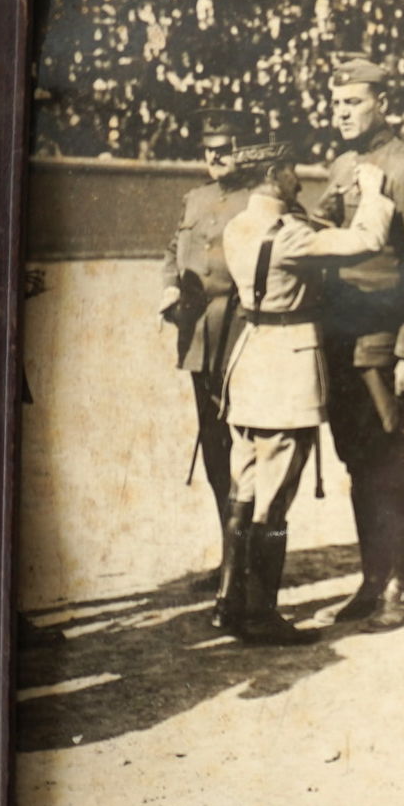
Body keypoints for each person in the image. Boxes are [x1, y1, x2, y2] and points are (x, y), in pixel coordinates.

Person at [215, 143, 396, 643]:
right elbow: (368, 240)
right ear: (274, 174)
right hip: (286, 369)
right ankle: (260, 615)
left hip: (249, 362)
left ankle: (229, 601)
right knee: (275, 500)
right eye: (291, 171)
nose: (298, 178)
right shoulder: (290, 237)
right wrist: (374, 194)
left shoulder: (240, 226)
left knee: (244, 487)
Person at [313, 57, 404, 632]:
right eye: (337, 103)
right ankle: (371, 577)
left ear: (381, 103)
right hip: (339, 333)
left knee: (385, 456)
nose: (342, 112)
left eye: (354, 103)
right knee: (354, 456)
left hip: (383, 338)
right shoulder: (342, 164)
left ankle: (400, 583)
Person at [158, 107, 256, 591]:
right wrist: (170, 288)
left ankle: (255, 558)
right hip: (198, 333)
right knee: (215, 447)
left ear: (246, 149)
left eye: (227, 147)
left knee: (254, 449)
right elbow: (170, 252)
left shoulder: (260, 197)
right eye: (209, 149)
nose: (216, 156)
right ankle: (229, 560)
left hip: (243, 334)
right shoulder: (195, 197)